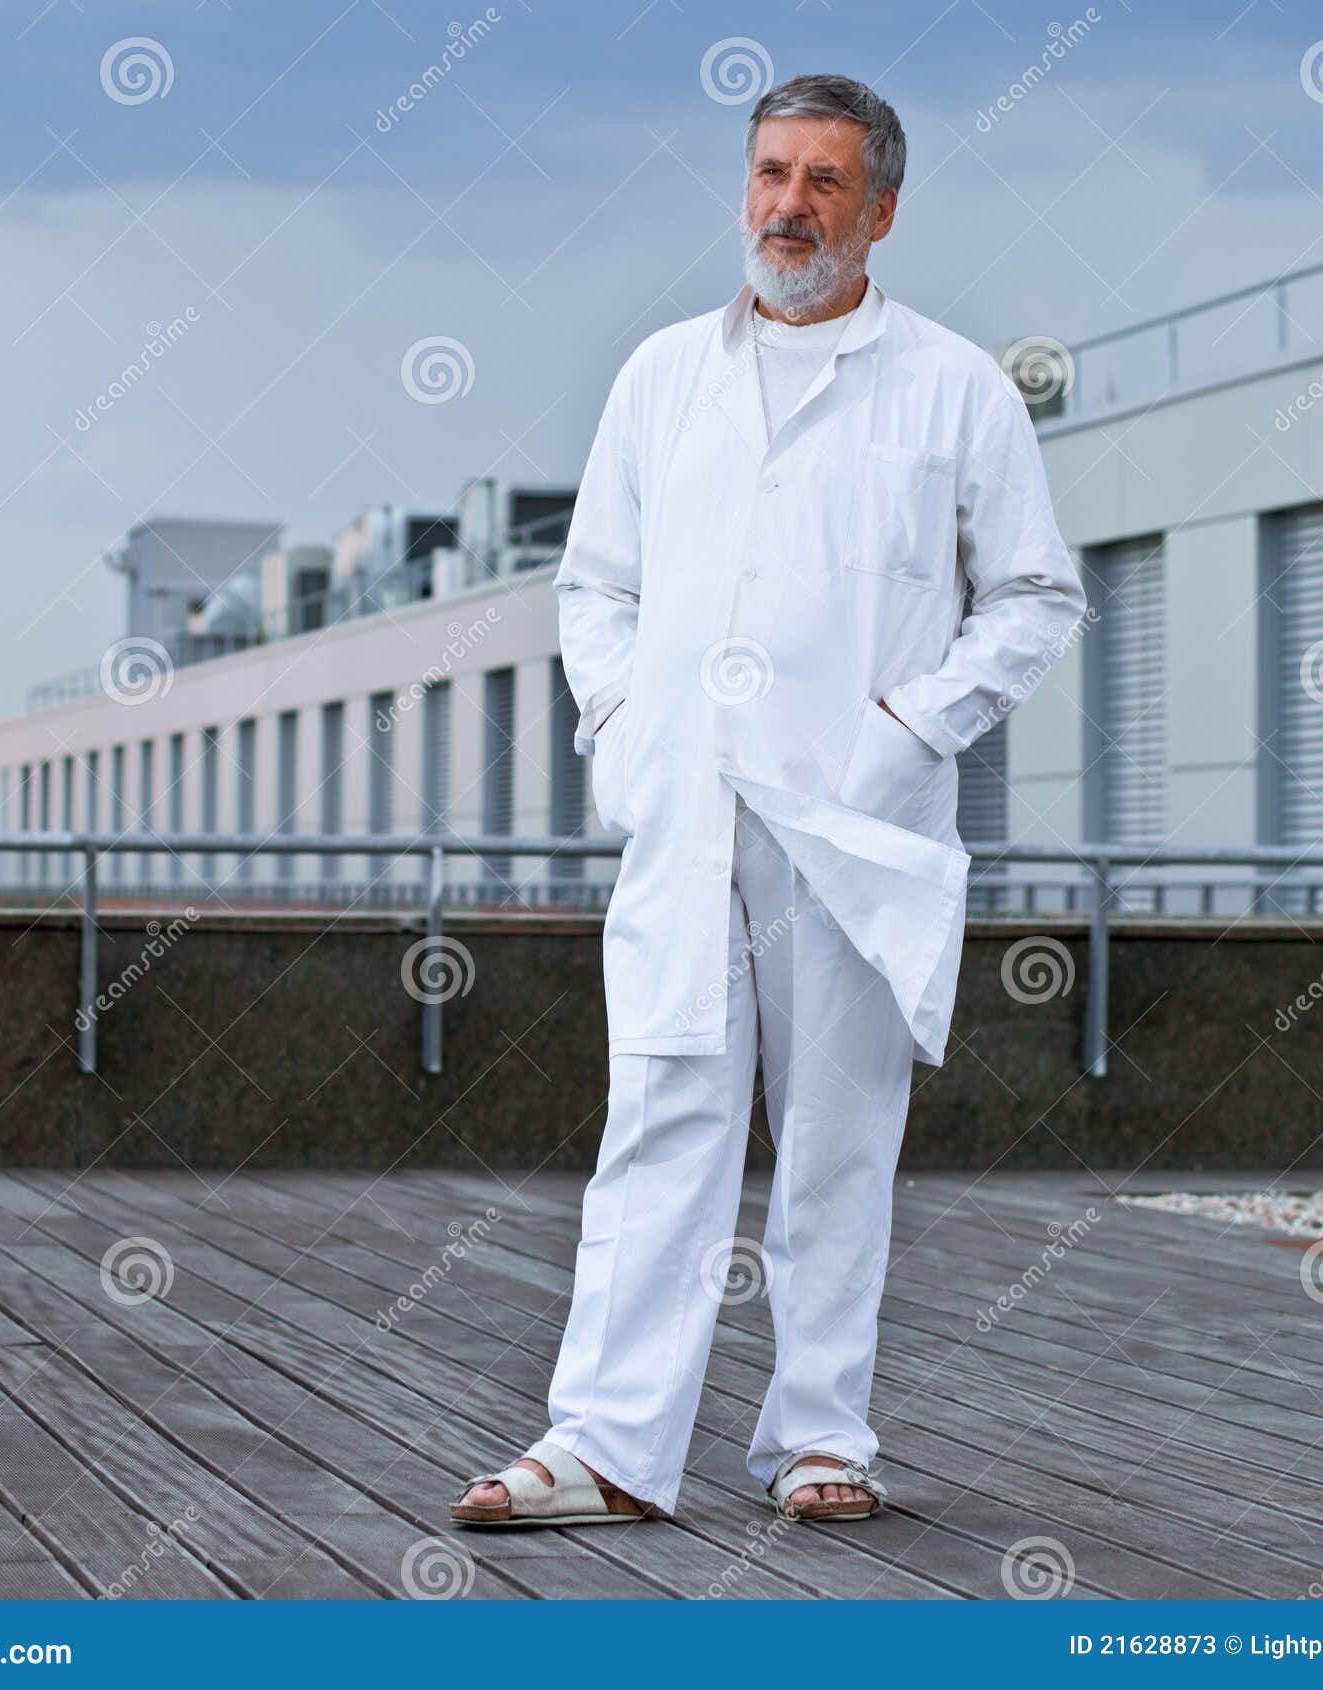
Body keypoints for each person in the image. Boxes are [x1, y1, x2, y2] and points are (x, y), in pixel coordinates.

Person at [451, 73, 1085, 1530]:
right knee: (659, 1113)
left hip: (852, 830)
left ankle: (821, 1436)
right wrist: (619, 728)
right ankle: (603, 1443)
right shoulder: (663, 375)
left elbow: (1038, 595)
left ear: (882, 209)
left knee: (837, 1132)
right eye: (769, 174)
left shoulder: (955, 386)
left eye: (822, 182)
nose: (788, 206)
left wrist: (907, 728)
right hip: (686, 821)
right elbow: (593, 585)